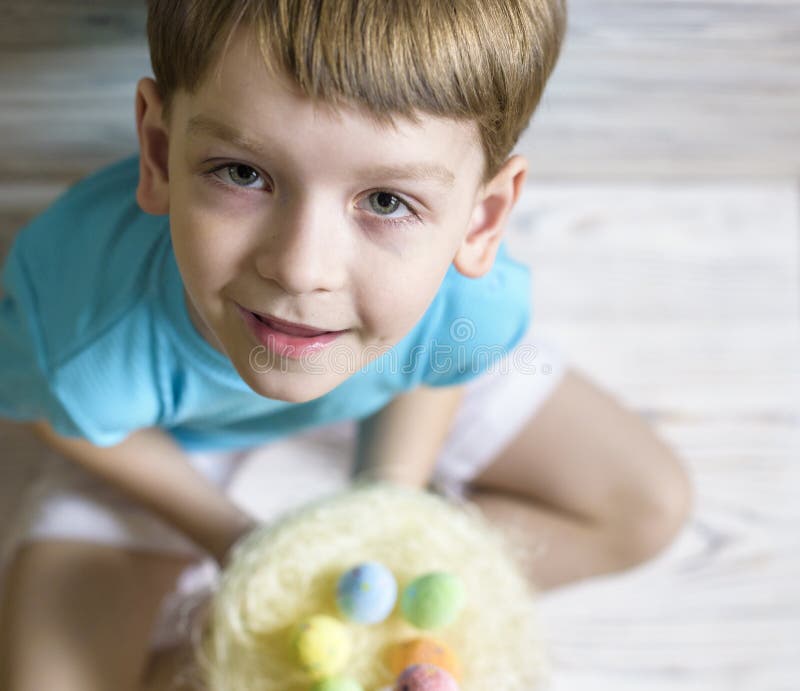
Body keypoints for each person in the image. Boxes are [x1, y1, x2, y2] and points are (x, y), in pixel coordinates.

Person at [0, 1, 693, 688]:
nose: (302, 269)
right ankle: (243, 642)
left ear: (481, 221)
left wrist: (387, 508)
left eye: (387, 201)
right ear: (159, 152)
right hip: (165, 438)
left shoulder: (465, 307)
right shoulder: (85, 330)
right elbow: (69, 416)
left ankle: (333, 630)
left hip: (385, 354)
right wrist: (240, 545)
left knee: (648, 503)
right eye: (242, 173)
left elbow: (438, 367)